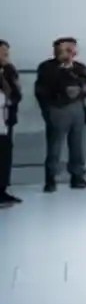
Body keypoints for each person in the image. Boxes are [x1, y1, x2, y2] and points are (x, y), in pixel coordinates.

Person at [35, 37, 86, 192]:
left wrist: (81, 90)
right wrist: (63, 69)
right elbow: (42, 90)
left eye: (71, 49)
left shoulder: (80, 67)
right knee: (55, 146)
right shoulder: (47, 67)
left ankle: (77, 177)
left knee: (77, 146)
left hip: (78, 109)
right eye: (64, 49)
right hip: (57, 109)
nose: (68, 52)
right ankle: (51, 179)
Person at [0, 40, 21, 206]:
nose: (5, 56)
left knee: (5, 155)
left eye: (6, 53)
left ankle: (2, 190)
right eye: (2, 53)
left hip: (7, 119)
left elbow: (16, 92)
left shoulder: (9, 70)